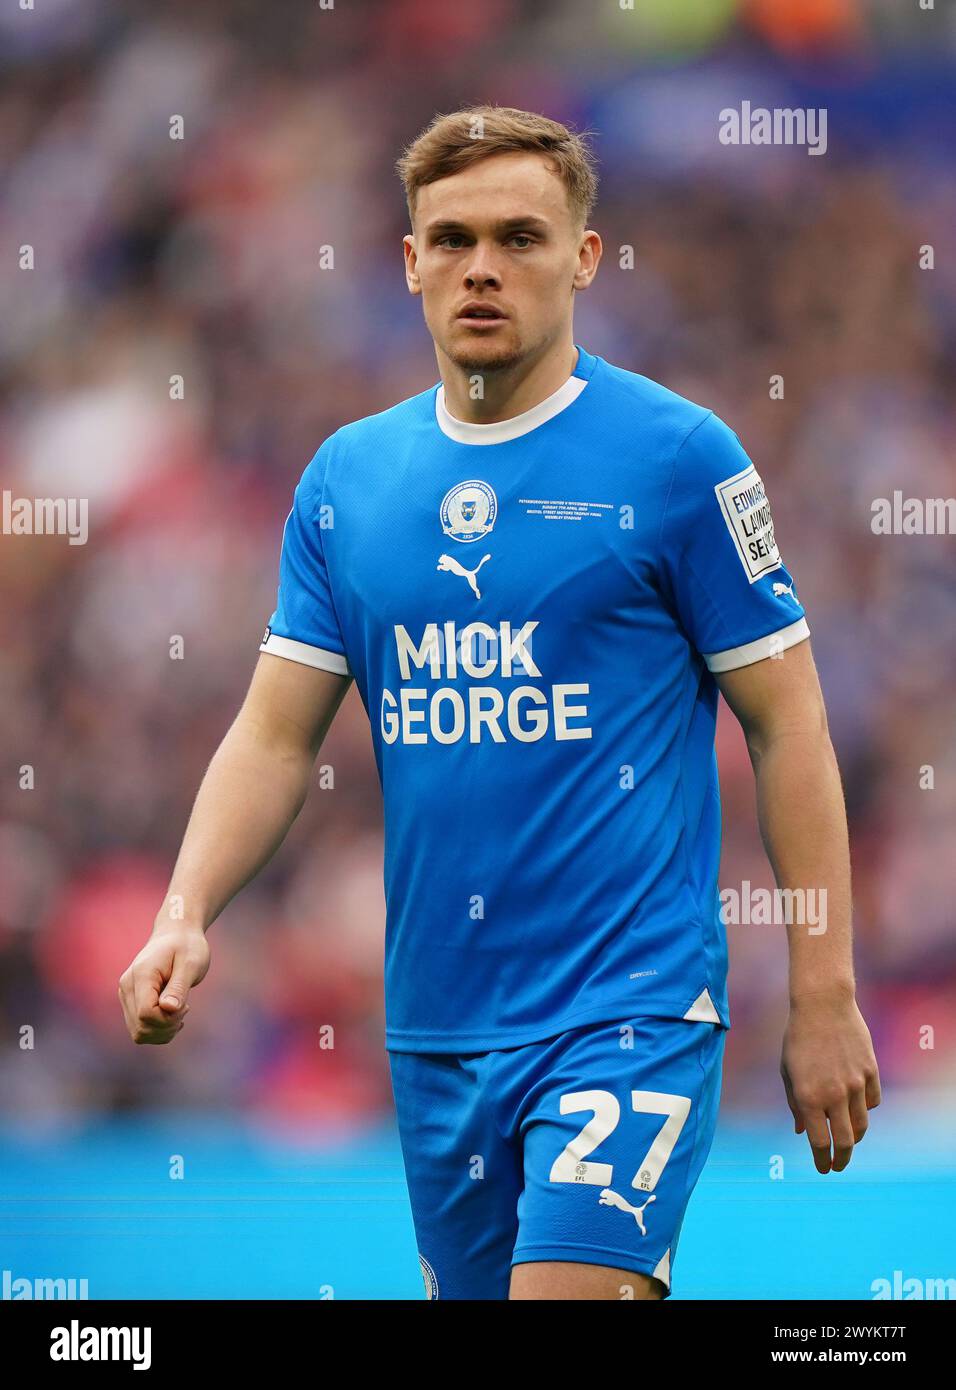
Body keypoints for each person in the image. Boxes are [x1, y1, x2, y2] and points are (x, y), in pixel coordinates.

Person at [119, 105, 881, 1301]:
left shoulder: (678, 460)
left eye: (519, 237)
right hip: (438, 1028)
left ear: (583, 257)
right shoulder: (348, 482)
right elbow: (273, 735)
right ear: (408, 261)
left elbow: (787, 724)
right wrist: (184, 911)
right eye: (453, 239)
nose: (482, 267)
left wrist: (823, 991)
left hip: (625, 1009)